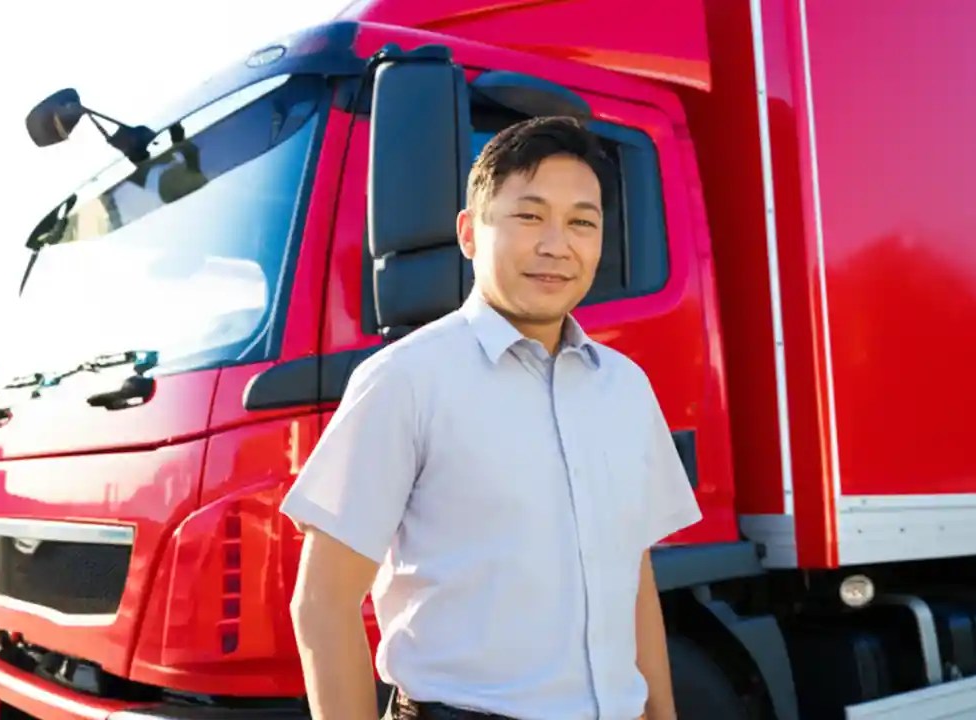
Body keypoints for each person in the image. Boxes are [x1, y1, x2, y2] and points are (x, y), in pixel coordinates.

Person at [279, 115, 702, 720]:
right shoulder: (406, 380)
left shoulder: (625, 388)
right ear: (469, 232)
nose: (557, 244)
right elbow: (322, 602)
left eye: (582, 222)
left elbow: (631, 576)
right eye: (529, 216)